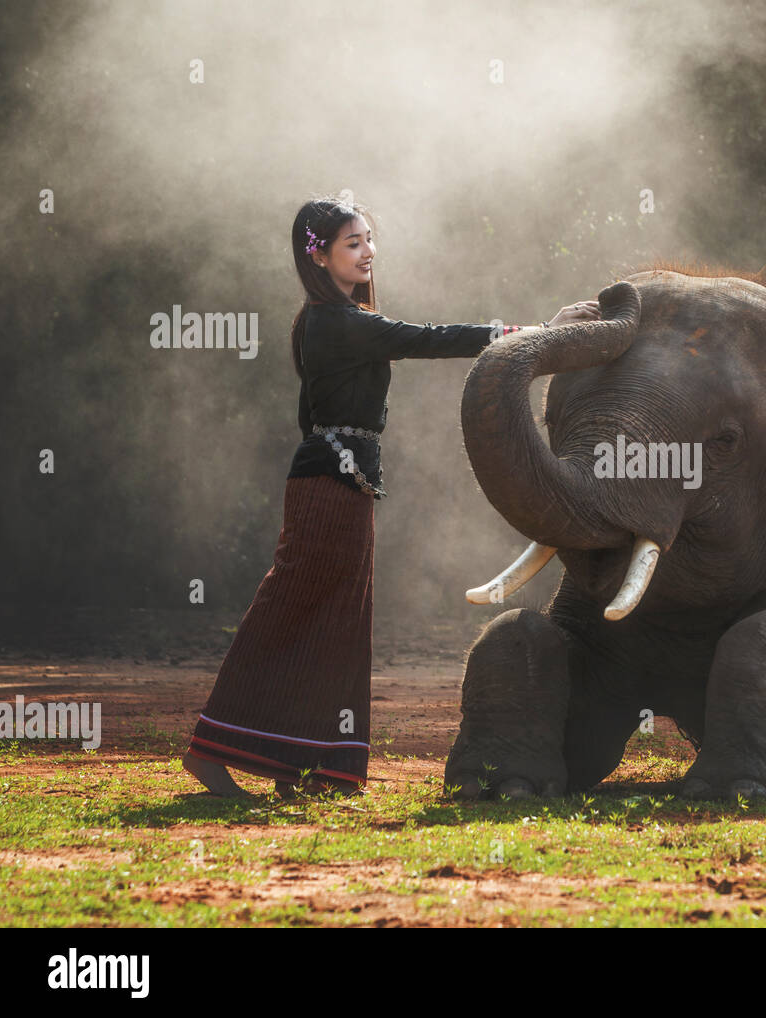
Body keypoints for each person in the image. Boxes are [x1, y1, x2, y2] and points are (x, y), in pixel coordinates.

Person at [180, 195, 600, 798]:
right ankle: (210, 750)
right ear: (319, 256)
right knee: (290, 607)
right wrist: (532, 335)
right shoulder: (333, 322)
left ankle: (304, 764)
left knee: (336, 620)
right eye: (352, 243)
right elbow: (427, 338)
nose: (368, 252)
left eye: (369, 239)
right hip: (328, 485)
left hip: (344, 482)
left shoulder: (332, 319)